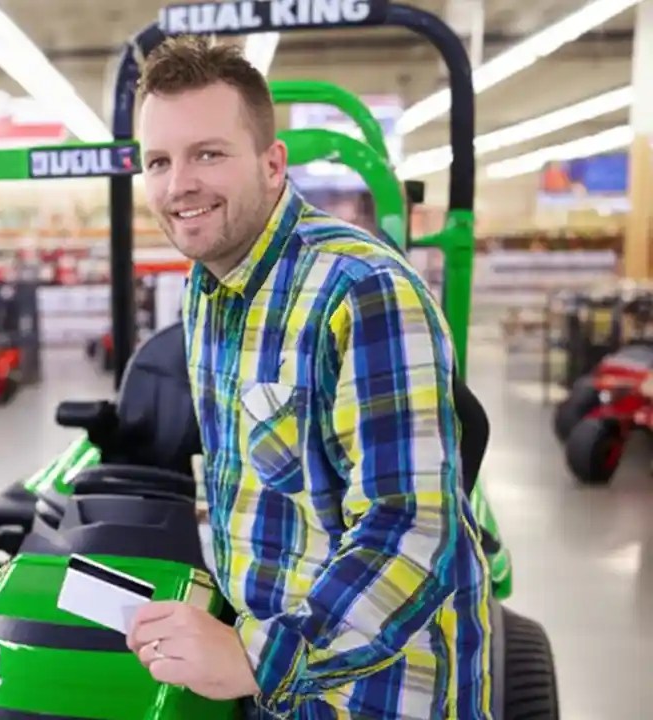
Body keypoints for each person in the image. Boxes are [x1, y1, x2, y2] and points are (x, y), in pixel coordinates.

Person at [124, 35, 493, 719]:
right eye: (159, 161)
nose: (179, 185)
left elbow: (411, 529)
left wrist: (252, 657)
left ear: (271, 163)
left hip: (374, 692)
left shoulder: (361, 291)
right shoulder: (207, 288)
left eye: (208, 153)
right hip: (271, 675)